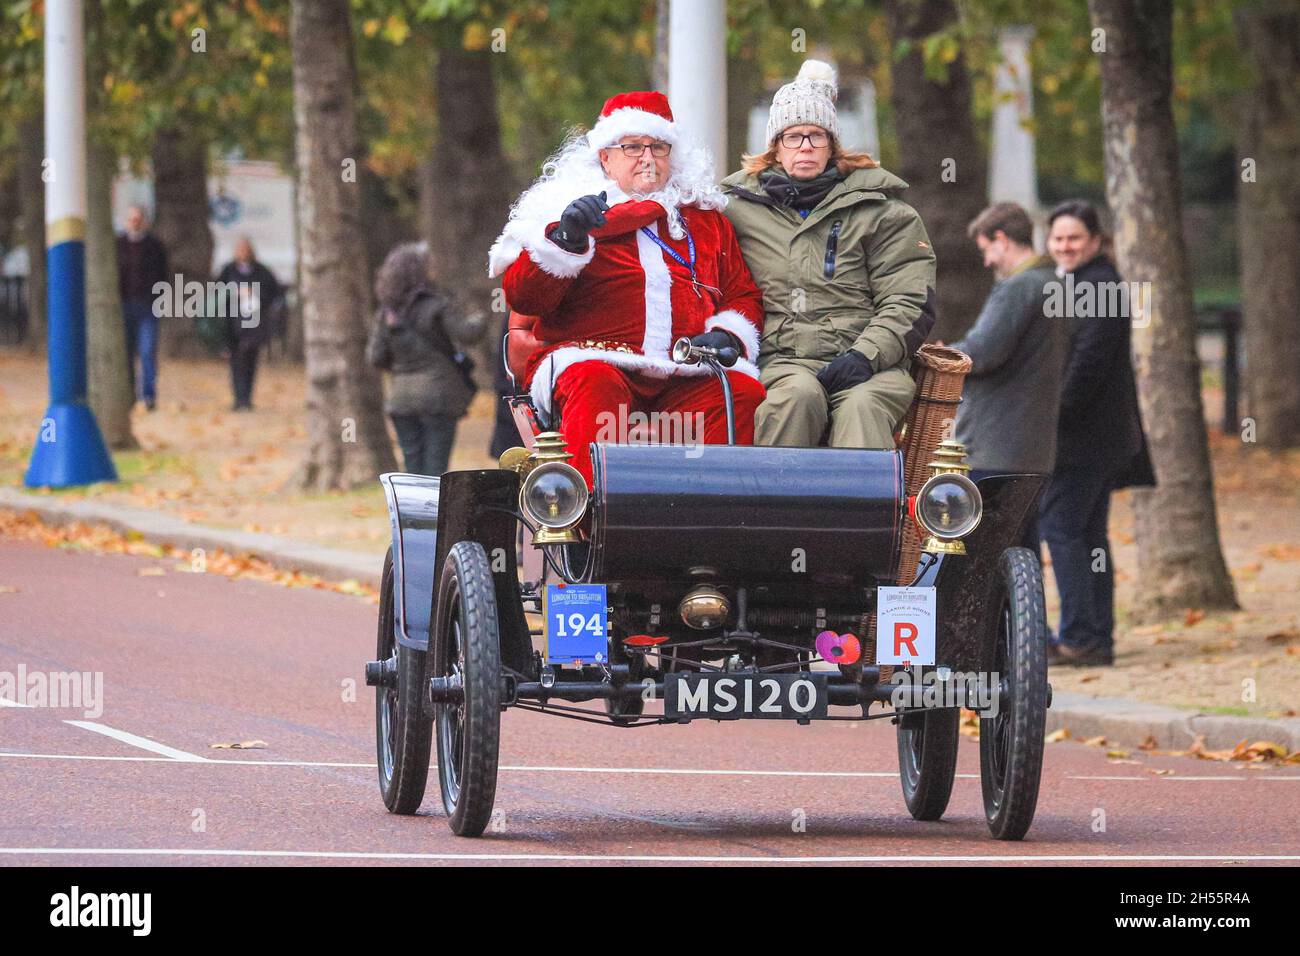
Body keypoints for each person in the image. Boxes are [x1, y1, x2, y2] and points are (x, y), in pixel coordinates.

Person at [489, 90, 766, 488]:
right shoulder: (566, 208)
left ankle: (713, 524)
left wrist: (728, 333)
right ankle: (592, 523)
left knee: (739, 390)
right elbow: (524, 298)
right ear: (605, 156)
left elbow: (742, 293)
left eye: (658, 146)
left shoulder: (705, 220)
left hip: (682, 371)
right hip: (597, 363)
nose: (648, 157)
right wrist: (566, 238)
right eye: (633, 146)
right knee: (594, 383)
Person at [720, 60, 937, 450]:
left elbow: (909, 299)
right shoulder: (735, 210)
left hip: (870, 363)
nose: (805, 146)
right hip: (781, 361)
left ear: (833, 144)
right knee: (795, 399)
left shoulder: (883, 211)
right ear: (775, 148)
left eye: (817, 136)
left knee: (863, 408)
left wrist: (864, 356)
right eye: (793, 136)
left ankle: (859, 512)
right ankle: (776, 507)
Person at [1040, 200, 1154, 667]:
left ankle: (1082, 636)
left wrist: (1050, 414)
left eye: (1074, 239)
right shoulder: (1082, 284)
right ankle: (1095, 638)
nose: (1065, 246)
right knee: (1087, 535)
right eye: (1058, 239)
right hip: (1095, 438)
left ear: (1095, 241)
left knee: (1062, 528)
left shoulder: (1099, 287)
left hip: (1085, 439)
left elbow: (1086, 366)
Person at [949, 202, 1066, 554]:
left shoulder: (1018, 288)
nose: (987, 262)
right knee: (1021, 553)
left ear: (1001, 239)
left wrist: (945, 354)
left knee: (986, 556)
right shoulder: (1053, 285)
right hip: (1033, 448)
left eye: (987, 250)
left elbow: (982, 351)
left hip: (995, 448)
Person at [367, 243, 485, 476]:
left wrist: (401, 366)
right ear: (419, 272)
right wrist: (484, 316)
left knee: (412, 470)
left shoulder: (386, 314)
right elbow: (467, 334)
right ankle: (433, 513)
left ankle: (410, 512)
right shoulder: (437, 306)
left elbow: (375, 357)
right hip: (438, 399)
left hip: (401, 401)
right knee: (435, 471)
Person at [215, 237, 283, 411]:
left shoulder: (262, 272)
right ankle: (239, 398)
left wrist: (255, 293)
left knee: (251, 361)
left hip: (255, 324)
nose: (243, 253)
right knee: (236, 363)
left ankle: (247, 397)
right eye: (240, 249)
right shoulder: (228, 271)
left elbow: (274, 294)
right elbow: (217, 295)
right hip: (233, 324)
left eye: (246, 249)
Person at [116, 204, 169, 411]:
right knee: (126, 353)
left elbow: (164, 276)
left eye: (138, 219)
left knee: (147, 351)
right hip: (124, 305)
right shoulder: (117, 244)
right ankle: (128, 394)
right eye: (131, 219)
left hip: (147, 306)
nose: (135, 222)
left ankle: (148, 396)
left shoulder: (155, 247)